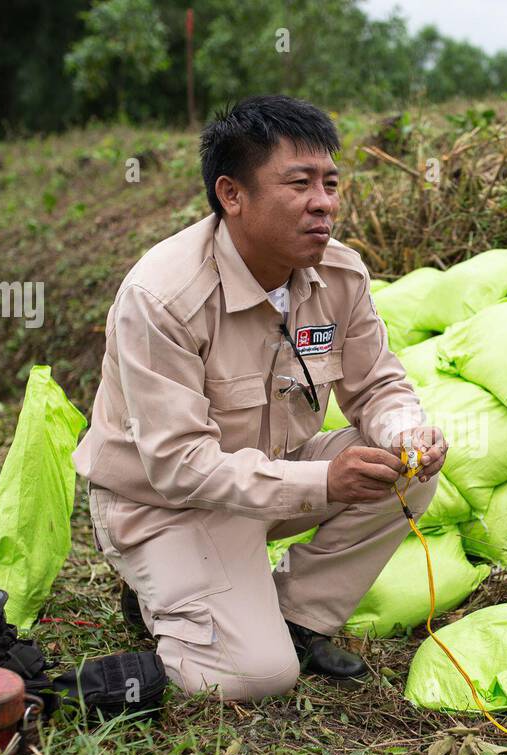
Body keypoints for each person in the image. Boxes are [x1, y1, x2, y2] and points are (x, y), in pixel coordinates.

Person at [72, 94, 447, 701]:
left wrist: (405, 432)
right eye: (299, 183)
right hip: (165, 504)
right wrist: (326, 484)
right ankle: (161, 596)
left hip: (269, 480)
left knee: (403, 472)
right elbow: (177, 467)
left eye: (330, 183)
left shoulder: (340, 276)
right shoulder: (163, 298)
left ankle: (295, 618)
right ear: (232, 194)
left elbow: (376, 382)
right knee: (255, 678)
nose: (323, 202)